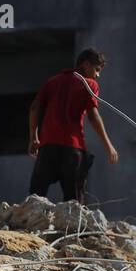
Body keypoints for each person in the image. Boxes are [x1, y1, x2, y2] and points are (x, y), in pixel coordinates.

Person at [29, 48, 118, 204]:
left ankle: (29, 225)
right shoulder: (89, 84)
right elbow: (93, 115)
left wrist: (33, 138)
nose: (98, 75)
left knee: (35, 199)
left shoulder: (53, 81)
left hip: (47, 148)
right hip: (72, 149)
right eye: (96, 69)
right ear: (85, 64)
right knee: (74, 203)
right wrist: (108, 145)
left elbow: (34, 108)